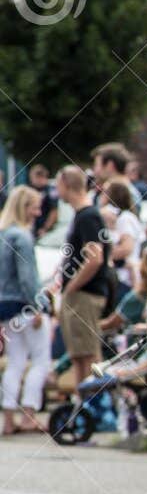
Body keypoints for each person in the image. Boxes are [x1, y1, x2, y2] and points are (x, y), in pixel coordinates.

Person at [54, 166, 113, 389]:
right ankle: (83, 407)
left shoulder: (88, 216)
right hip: (82, 294)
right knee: (79, 355)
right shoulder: (84, 215)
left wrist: (71, 287)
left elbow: (95, 257)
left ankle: (91, 409)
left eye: (58, 185)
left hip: (84, 295)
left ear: (67, 184)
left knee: (88, 355)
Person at [0, 185, 51, 434]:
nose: (39, 211)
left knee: (15, 363)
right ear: (24, 207)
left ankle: (8, 419)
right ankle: (29, 415)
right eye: (35, 206)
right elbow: (28, 279)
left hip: (5, 309)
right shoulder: (21, 237)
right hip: (25, 307)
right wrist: (39, 307)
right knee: (40, 361)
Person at [101, 178, 146, 293]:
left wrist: (102, 255)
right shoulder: (119, 216)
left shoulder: (125, 218)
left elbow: (126, 248)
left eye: (105, 191)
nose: (101, 194)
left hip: (123, 279)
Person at [27, 164, 57, 239]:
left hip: (46, 230)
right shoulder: (28, 190)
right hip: (30, 227)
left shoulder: (50, 191)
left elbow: (54, 211)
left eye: (40, 177)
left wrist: (45, 228)